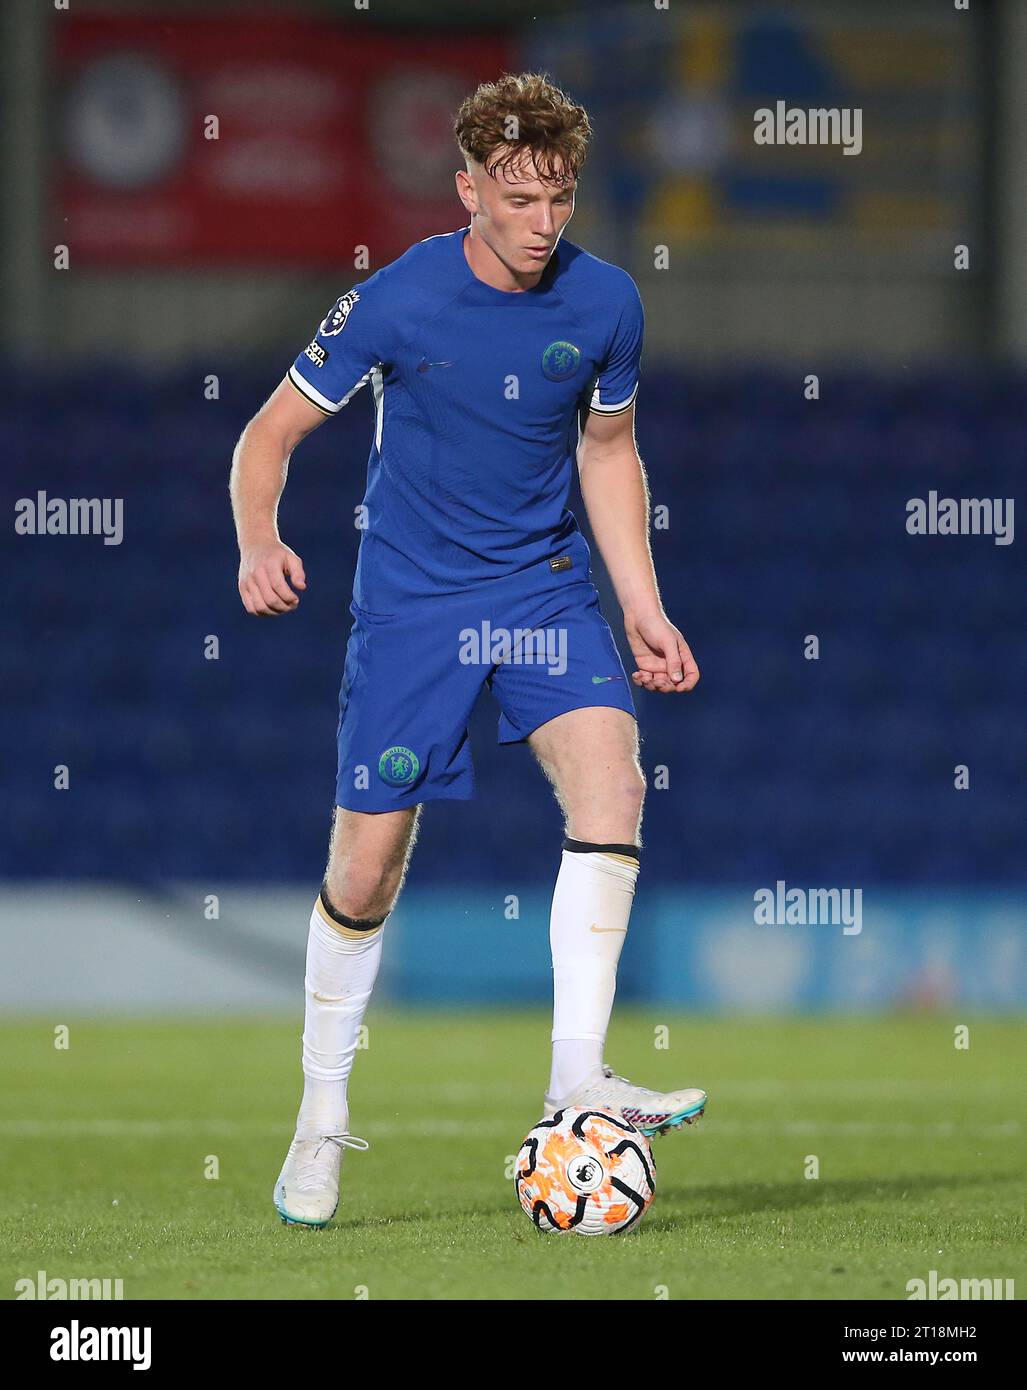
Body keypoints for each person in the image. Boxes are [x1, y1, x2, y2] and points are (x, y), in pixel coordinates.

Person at [229, 72, 706, 1228]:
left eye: (560, 197)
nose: (544, 221)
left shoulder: (605, 304)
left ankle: (573, 1077)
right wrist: (257, 540)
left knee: (614, 781)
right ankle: (319, 1116)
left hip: (541, 593)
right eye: (519, 197)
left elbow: (608, 452)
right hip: (413, 611)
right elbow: (268, 434)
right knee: (365, 868)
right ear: (468, 190)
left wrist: (641, 602)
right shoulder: (395, 301)